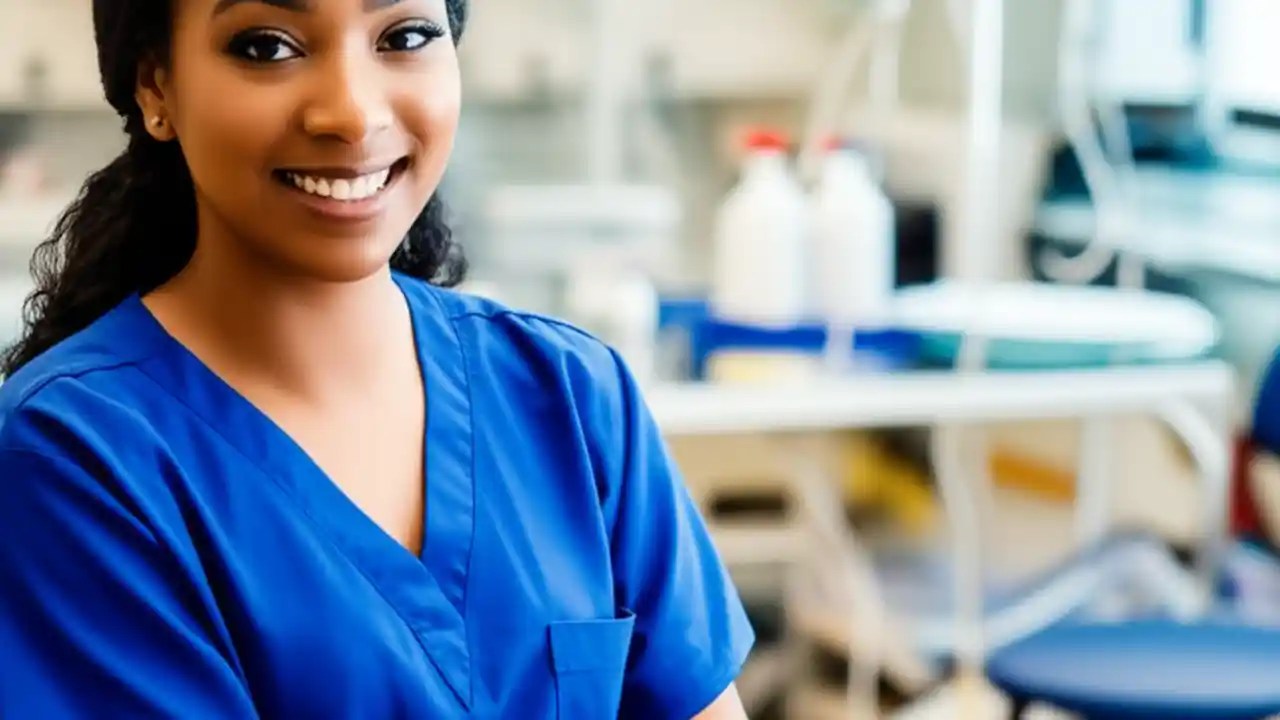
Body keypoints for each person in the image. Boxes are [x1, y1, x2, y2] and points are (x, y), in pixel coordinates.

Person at [0, 1, 754, 717]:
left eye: (406, 36)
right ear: (155, 84)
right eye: (267, 46)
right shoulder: (75, 457)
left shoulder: (574, 398)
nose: (353, 113)